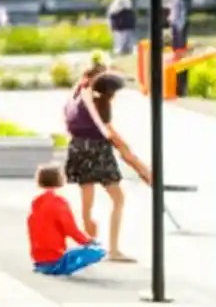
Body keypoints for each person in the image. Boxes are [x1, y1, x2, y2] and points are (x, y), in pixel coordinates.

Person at [63, 68, 152, 262]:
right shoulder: (99, 105)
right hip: (97, 150)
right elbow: (115, 139)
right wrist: (142, 169)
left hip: (77, 148)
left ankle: (88, 237)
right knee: (118, 198)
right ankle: (113, 249)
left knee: (87, 199)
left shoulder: (77, 96)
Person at [28, 164, 105, 276]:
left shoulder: (36, 203)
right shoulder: (59, 202)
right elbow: (71, 229)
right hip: (55, 260)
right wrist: (88, 241)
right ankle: (60, 268)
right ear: (61, 180)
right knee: (99, 251)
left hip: (38, 260)